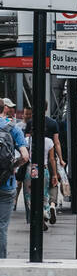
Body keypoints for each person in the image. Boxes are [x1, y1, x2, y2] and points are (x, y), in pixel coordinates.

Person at [0, 101, 28, 259]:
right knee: (2, 227)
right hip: (6, 183)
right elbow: (25, 156)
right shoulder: (13, 128)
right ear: (3, 109)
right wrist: (13, 166)